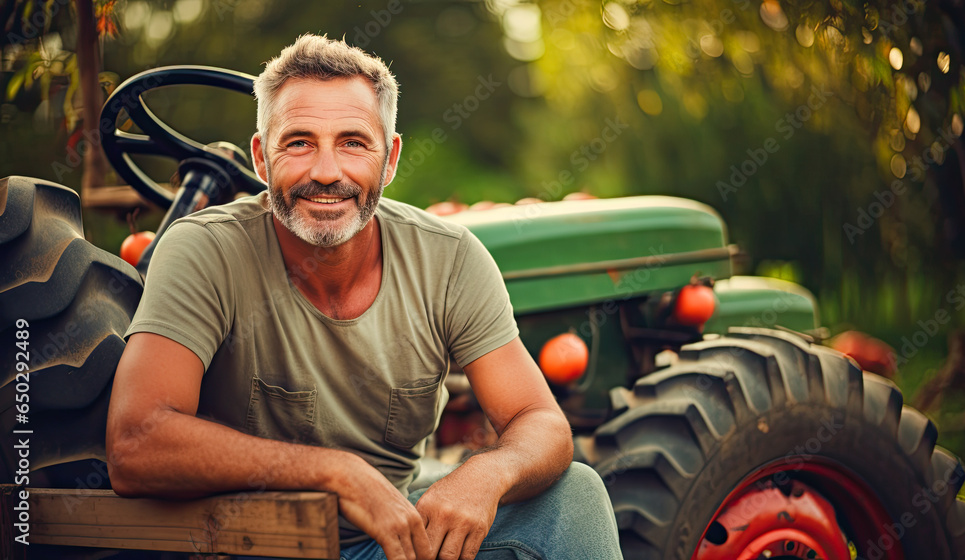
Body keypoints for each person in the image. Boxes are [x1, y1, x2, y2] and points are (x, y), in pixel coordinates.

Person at [106, 33, 623, 560]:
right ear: (262, 159)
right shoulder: (204, 250)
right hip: (240, 545)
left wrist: (487, 474)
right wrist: (337, 473)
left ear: (390, 158)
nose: (326, 172)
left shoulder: (450, 259)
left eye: (353, 142)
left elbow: (541, 422)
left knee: (575, 495)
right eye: (299, 142)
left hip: (387, 546)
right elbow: (136, 443)